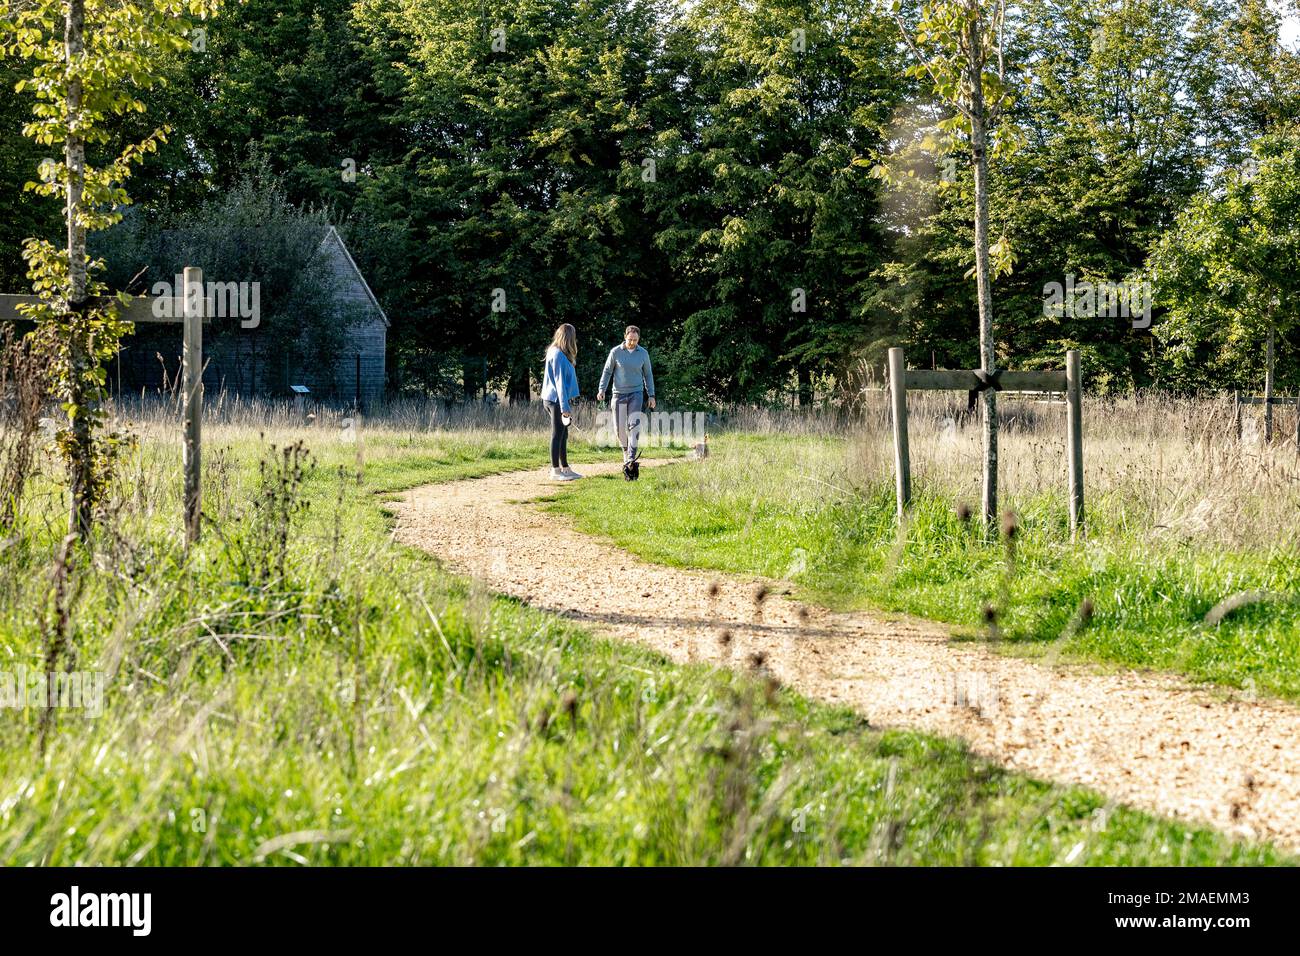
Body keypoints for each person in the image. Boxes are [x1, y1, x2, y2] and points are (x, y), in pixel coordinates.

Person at [596, 325, 655, 463]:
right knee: (619, 428)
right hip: (619, 394)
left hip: (636, 393)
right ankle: (625, 450)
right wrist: (602, 389)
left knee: (634, 425)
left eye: (635, 340)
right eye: (630, 339)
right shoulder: (616, 352)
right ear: (625, 337)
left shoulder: (643, 353)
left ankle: (631, 457)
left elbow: (648, 374)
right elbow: (607, 371)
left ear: (638, 338)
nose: (632, 342)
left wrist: (651, 395)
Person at [541, 323, 582, 480]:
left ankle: (565, 468)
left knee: (563, 434)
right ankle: (555, 471)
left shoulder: (557, 352)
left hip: (555, 399)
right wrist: (565, 407)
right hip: (556, 400)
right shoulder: (557, 354)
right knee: (557, 434)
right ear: (569, 337)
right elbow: (559, 383)